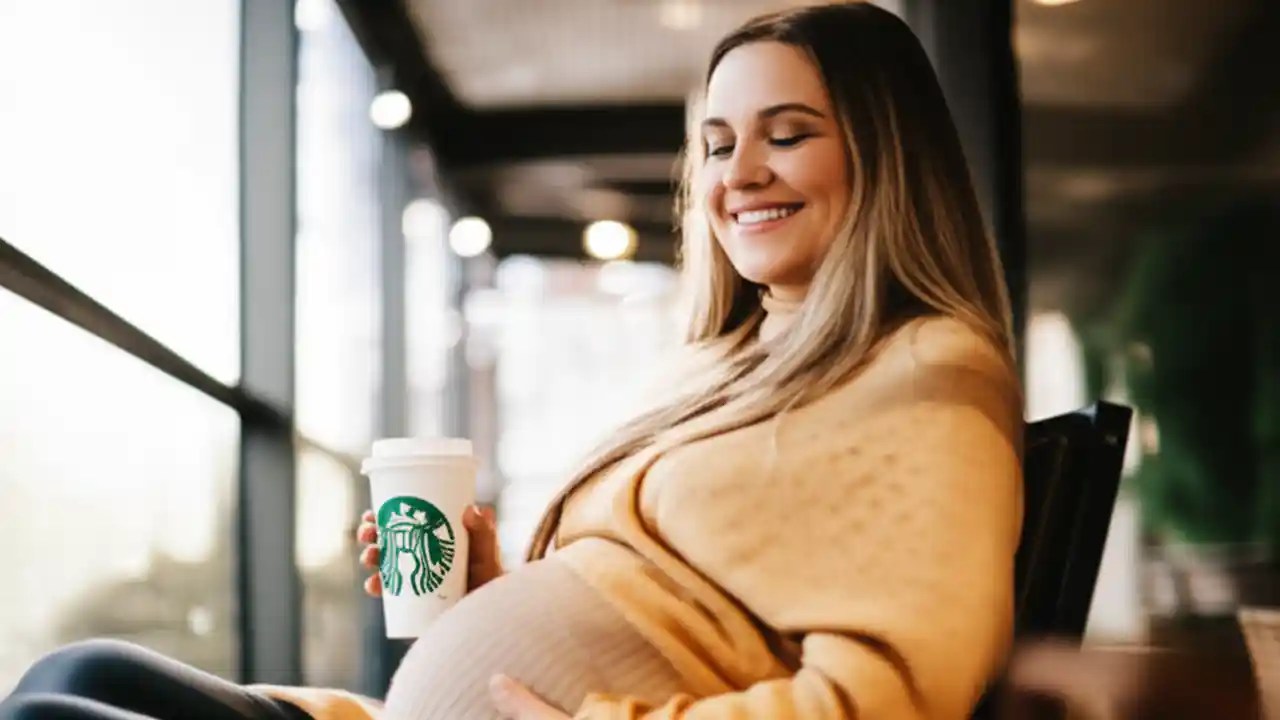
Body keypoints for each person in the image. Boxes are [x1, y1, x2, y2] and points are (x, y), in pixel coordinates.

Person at [0, 3, 1023, 719]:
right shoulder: (740, 360)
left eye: (786, 135)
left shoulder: (922, 380)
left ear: (885, 155)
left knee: (71, 706)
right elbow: (672, 599)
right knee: (76, 676)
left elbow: (892, 699)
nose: (737, 173)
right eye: (715, 144)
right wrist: (496, 592)